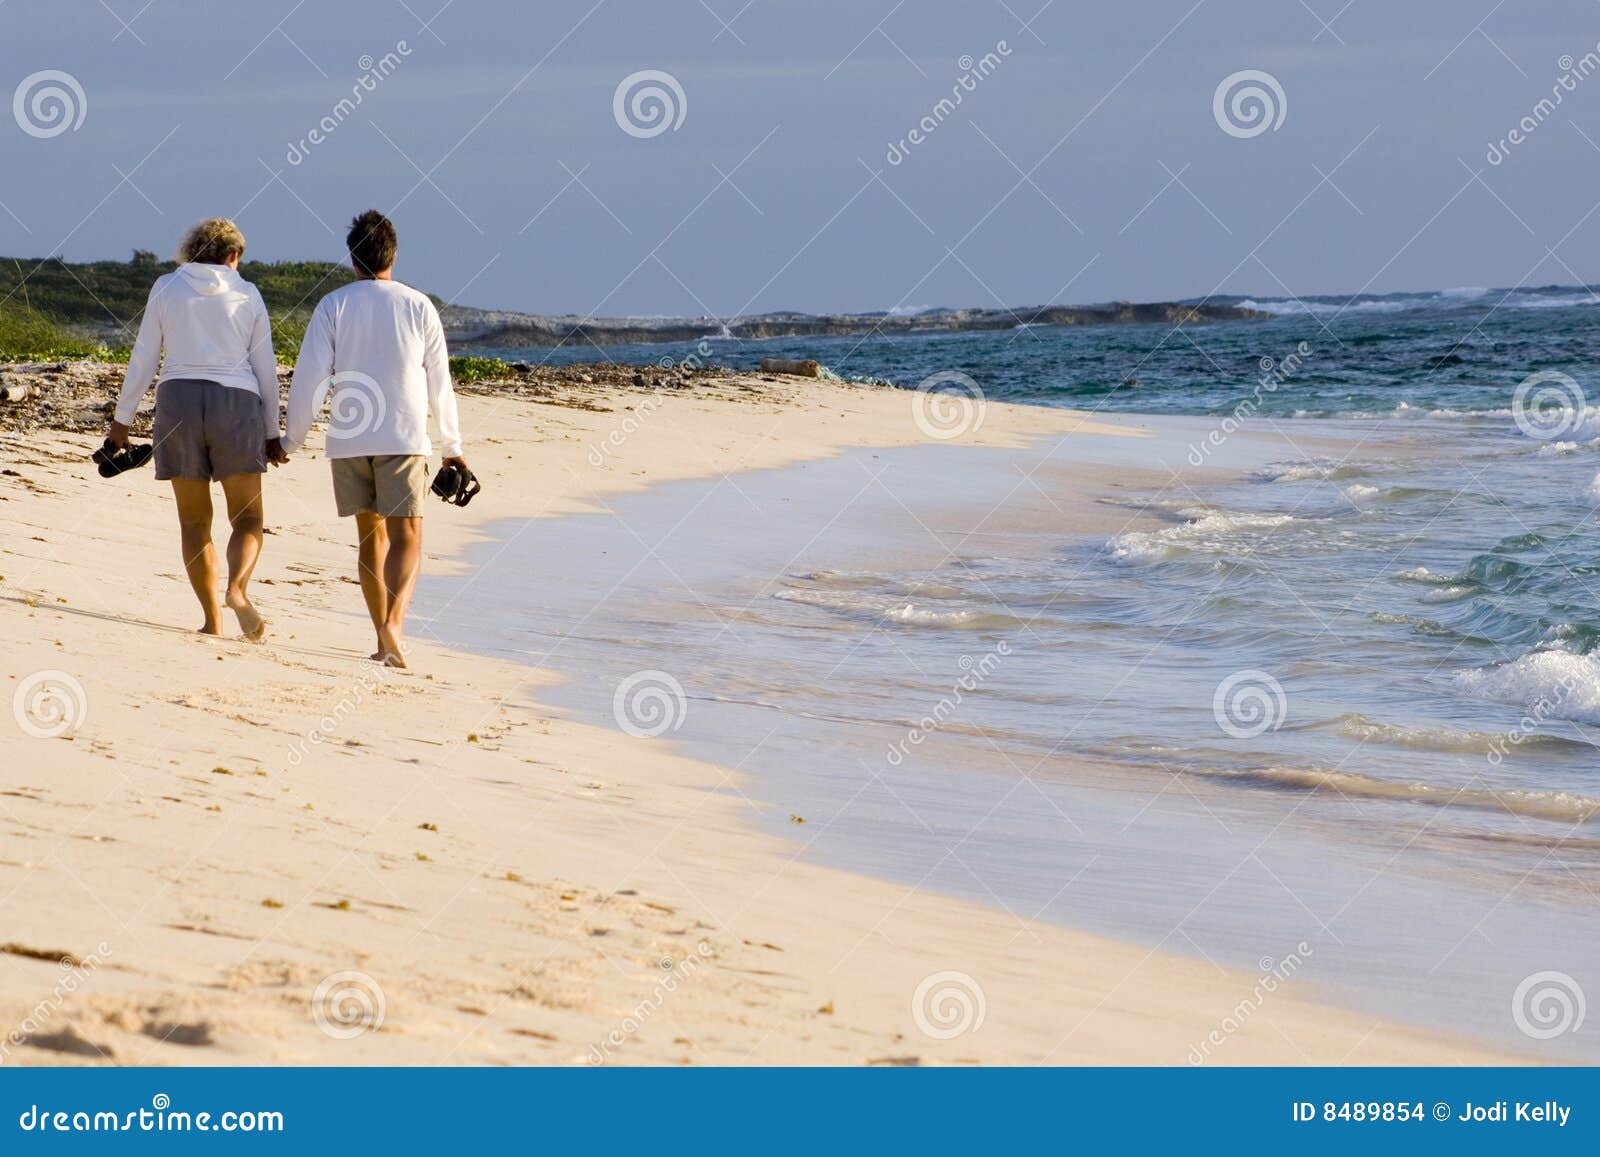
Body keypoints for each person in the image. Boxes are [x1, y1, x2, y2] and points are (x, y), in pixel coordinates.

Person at [283, 209, 468, 667]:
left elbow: (310, 378)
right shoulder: (418, 305)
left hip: (350, 438)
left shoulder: (334, 305)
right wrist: (452, 447)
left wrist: (290, 440)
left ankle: (382, 639)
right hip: (403, 436)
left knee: (370, 536)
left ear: (352, 259)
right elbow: (439, 383)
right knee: (407, 535)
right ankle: (395, 626)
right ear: (394, 255)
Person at [108, 217, 283, 640]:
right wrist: (272, 432)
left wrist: (121, 422)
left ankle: (211, 621)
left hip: (178, 401)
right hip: (236, 403)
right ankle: (237, 590)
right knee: (248, 518)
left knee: (193, 522)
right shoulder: (248, 293)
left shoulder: (166, 287)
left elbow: (144, 357)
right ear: (234, 255)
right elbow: (266, 369)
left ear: (192, 250)